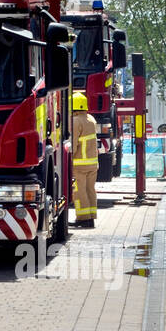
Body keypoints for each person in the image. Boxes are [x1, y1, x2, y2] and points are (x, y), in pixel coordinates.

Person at [71, 89, 99, 227]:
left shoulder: (75, 121)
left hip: (79, 164)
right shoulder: (91, 119)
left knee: (79, 191)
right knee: (90, 189)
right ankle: (91, 217)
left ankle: (82, 219)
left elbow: (73, 144)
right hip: (93, 163)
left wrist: (68, 159)